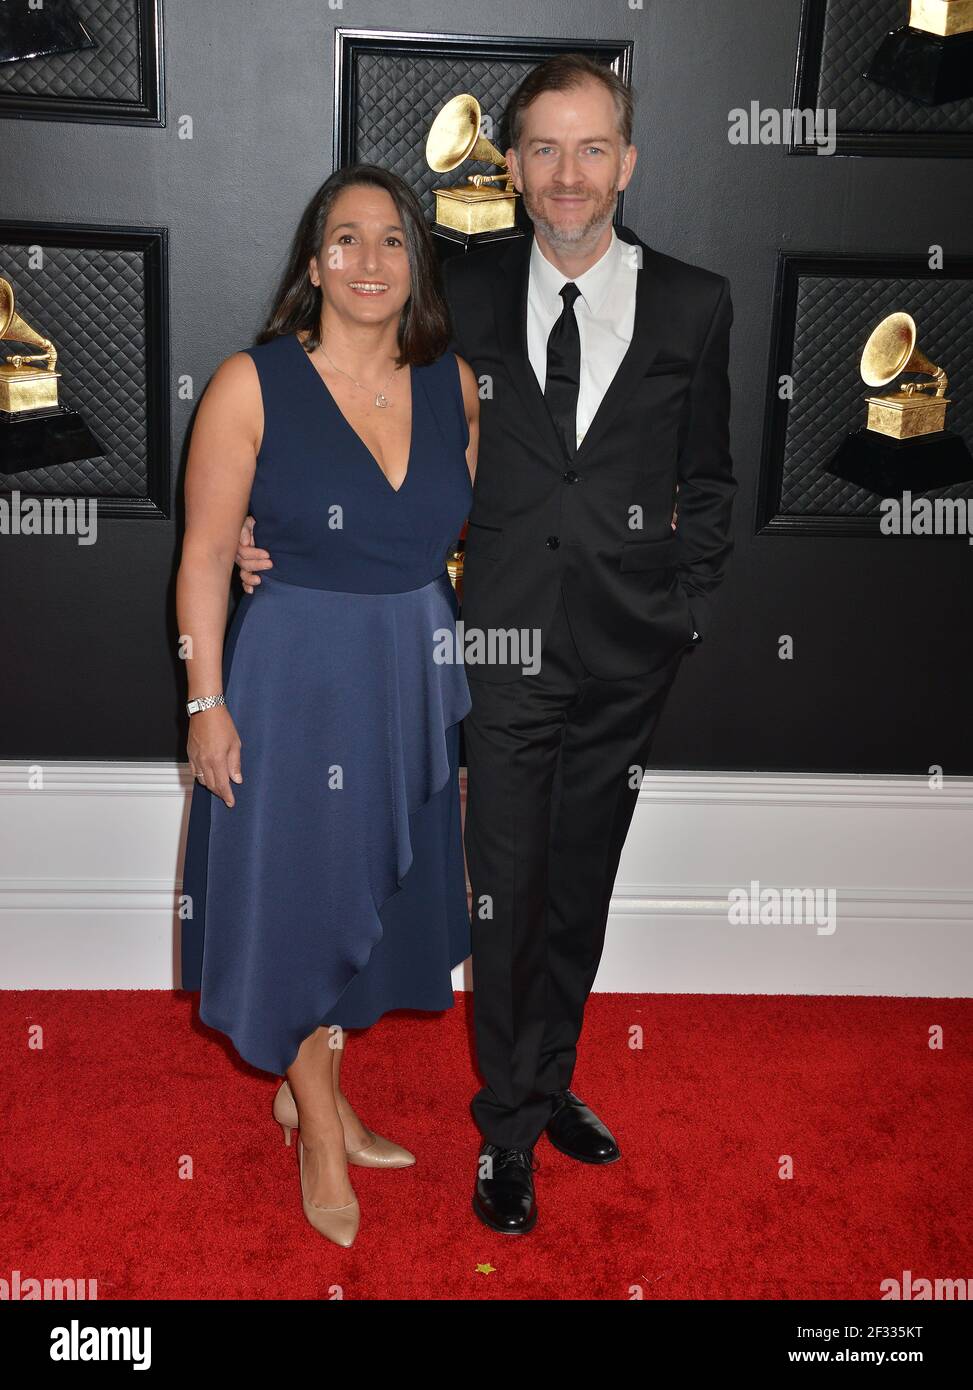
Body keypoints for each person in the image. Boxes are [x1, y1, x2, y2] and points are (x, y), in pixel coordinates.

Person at [237, 55, 736, 1236]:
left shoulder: (694, 301)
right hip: (496, 647)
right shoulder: (453, 282)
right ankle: (505, 1128)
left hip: (629, 650)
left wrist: (686, 608)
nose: (569, 175)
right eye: (545, 151)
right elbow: (346, 394)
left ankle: (549, 1077)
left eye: (593, 148)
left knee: (578, 886)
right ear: (510, 167)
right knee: (504, 892)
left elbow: (708, 479)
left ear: (628, 162)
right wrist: (270, 527)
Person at [177, 164, 479, 1248]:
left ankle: (318, 1088)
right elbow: (206, 554)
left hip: (406, 672)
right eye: (343, 239)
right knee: (302, 897)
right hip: (295, 678)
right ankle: (315, 1129)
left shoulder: (454, 384)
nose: (367, 259)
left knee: (369, 894)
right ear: (313, 264)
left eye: (391, 240)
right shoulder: (249, 385)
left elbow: (447, 540)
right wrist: (206, 700)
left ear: (416, 264)